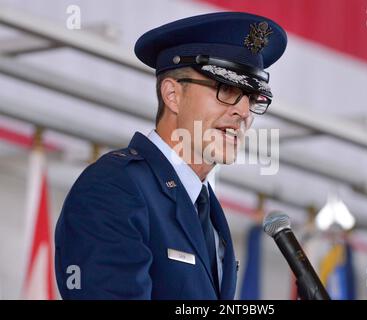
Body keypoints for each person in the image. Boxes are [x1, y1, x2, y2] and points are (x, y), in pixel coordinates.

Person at [54, 11, 287, 300]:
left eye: (251, 99)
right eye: (226, 89)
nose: (242, 112)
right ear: (172, 95)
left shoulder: (205, 208)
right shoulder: (114, 186)